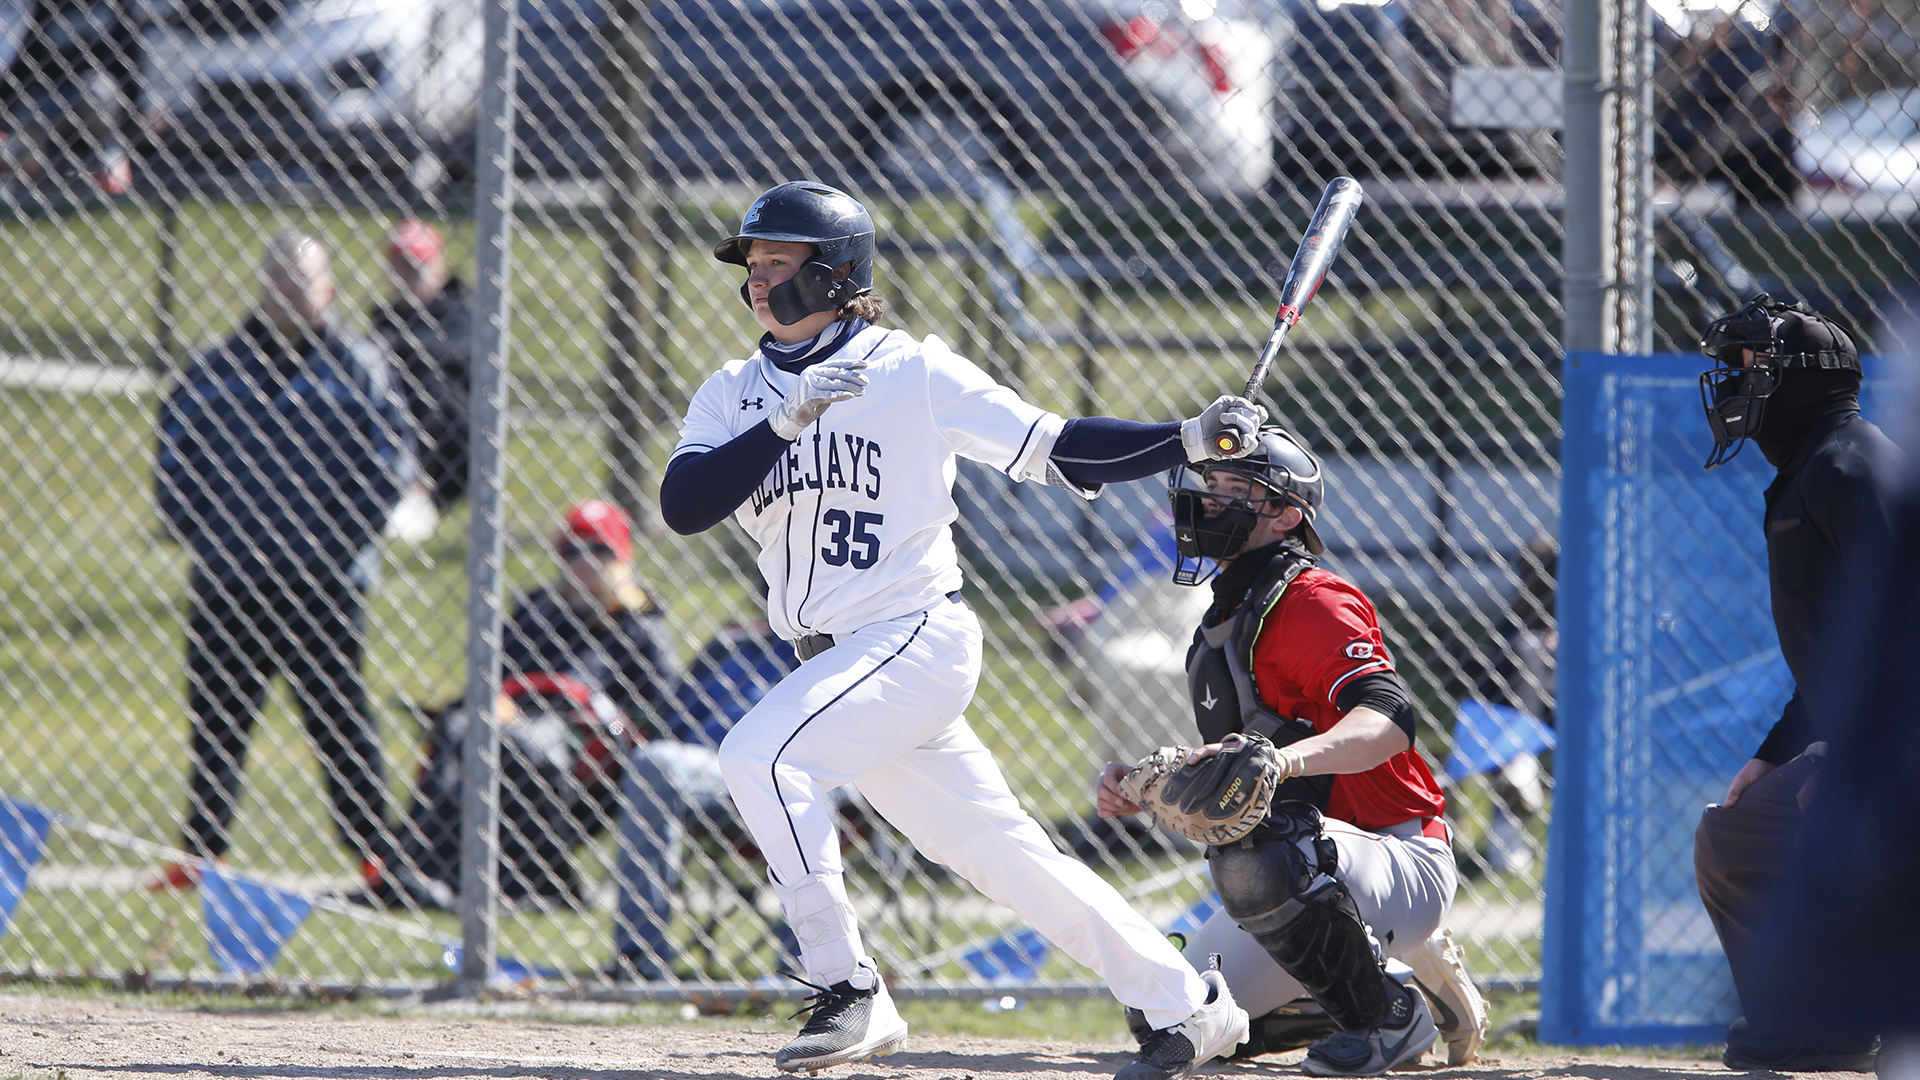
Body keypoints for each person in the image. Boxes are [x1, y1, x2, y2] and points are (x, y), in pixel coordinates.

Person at [661, 180, 1262, 1079]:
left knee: (760, 756)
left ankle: (848, 986)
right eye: (753, 262)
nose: (758, 278)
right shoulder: (731, 393)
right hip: (837, 667)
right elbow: (684, 505)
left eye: (779, 261)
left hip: (911, 637)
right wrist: (785, 420)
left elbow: (1057, 444)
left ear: (836, 273)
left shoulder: (912, 371)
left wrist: (1184, 438)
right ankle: (1191, 1004)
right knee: (1004, 854)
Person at [1093, 427, 1487, 1076]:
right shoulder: (1226, 614)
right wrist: (1148, 782)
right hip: (1314, 862)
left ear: (1285, 515)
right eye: (1211, 484)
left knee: (1266, 852)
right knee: (1171, 1015)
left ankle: (1387, 1016)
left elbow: (1391, 719)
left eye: (1236, 488)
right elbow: (1248, 752)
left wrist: (1285, 761)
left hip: (1396, 850)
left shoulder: (1311, 600)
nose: (1211, 500)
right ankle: (1397, 978)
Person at [150, 232, 414, 891]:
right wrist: (210, 533)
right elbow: (174, 458)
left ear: (328, 289)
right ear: (260, 287)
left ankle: (376, 857)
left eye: (303, 281)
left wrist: (334, 542)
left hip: (324, 586)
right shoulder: (215, 369)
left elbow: (391, 464)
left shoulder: (359, 367)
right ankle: (202, 855)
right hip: (231, 580)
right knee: (217, 721)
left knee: (340, 720)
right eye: (278, 279)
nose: (289, 292)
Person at [1690, 294, 1902, 1071]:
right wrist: (1778, 753)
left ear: (1803, 378)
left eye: (1752, 364)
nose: (1734, 380)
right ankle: (1814, 1026)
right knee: (1735, 835)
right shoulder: (1817, 465)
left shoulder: (1850, 468)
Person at [369, 499, 679, 910]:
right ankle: (412, 866)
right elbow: (497, 673)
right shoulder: (538, 610)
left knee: (523, 744)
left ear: (622, 556)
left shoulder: (640, 625)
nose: (585, 562)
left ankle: (537, 883)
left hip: (586, 751)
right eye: (573, 550)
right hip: (517, 721)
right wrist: (496, 699)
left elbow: (660, 712)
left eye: (599, 549)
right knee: (458, 727)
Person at [609, 597, 802, 982]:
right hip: (713, 771)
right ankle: (638, 961)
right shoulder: (734, 643)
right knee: (654, 762)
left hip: (796, 769)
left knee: (803, 775)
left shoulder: (845, 643)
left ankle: (814, 968)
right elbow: (672, 720)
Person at [369, 219, 471, 521]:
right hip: (393, 428)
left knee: (424, 378)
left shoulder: (460, 313)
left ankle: (417, 491)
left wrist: (394, 347)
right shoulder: (388, 320)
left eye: (417, 265)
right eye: (400, 264)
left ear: (440, 267)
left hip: (455, 449)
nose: (407, 275)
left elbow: (447, 351)